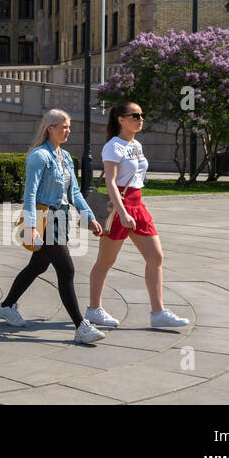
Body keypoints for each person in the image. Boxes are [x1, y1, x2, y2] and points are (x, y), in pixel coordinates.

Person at [0, 109, 108, 344]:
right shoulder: (39, 156)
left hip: (61, 216)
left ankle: (6, 306)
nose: (68, 130)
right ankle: (81, 326)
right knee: (67, 270)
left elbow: (74, 192)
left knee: (38, 265)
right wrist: (31, 226)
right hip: (46, 217)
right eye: (64, 126)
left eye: (69, 126)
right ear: (50, 128)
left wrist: (90, 217)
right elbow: (30, 194)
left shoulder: (65, 157)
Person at [86, 102, 189, 329]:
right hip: (119, 207)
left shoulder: (136, 144)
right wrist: (122, 212)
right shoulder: (113, 146)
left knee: (156, 257)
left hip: (138, 204)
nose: (141, 118)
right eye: (135, 115)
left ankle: (158, 312)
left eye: (143, 114)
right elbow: (111, 182)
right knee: (105, 261)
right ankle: (94, 309)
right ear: (121, 119)